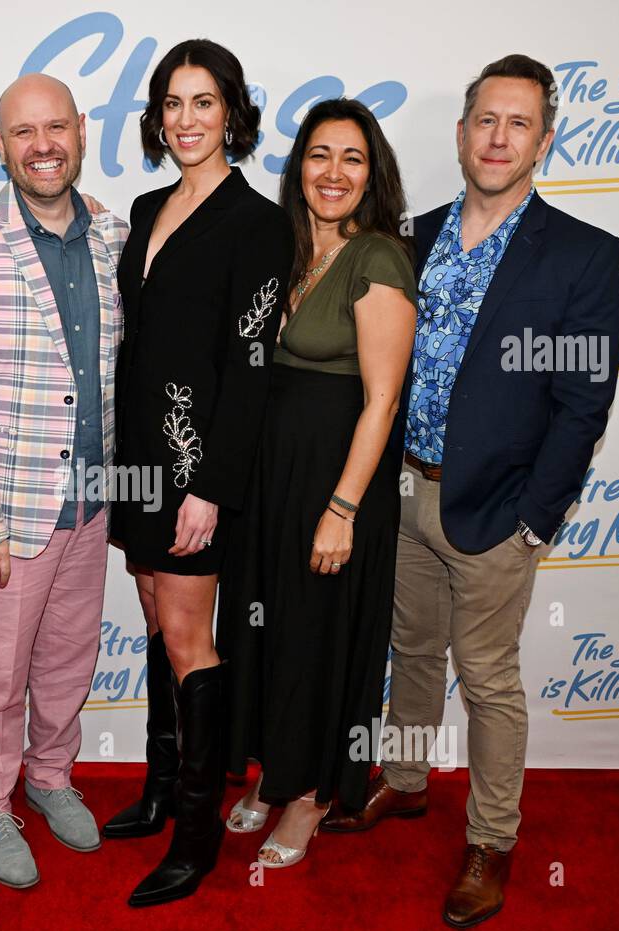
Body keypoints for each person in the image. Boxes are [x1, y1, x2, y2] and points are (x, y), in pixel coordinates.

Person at [320, 55, 619, 929]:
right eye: (484, 120)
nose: (497, 138)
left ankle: (492, 840)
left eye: (518, 123)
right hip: (403, 496)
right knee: (410, 653)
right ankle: (408, 782)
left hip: (496, 513)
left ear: (545, 141)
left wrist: (537, 516)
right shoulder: (410, 237)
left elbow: (584, 400)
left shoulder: (581, 254)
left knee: (487, 678)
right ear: (460, 135)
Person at [0, 73, 128, 891]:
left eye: (56, 127)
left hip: (90, 500)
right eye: (23, 132)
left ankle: (48, 777)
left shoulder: (112, 234)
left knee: (70, 660)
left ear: (80, 130)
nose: (43, 145)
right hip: (4, 511)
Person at [105, 39, 294, 907]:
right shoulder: (145, 208)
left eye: (203, 102)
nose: (186, 120)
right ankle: (157, 785)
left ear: (232, 114)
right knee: (152, 617)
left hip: (195, 469)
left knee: (189, 638)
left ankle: (195, 830)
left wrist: (209, 486)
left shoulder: (256, 222)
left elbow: (249, 366)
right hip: (138, 460)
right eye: (172, 103)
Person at [219, 98, 416, 868]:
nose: (333, 173)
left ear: (373, 175)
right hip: (273, 479)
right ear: (298, 165)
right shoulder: (290, 250)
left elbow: (382, 399)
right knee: (269, 633)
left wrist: (342, 508)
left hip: (335, 480)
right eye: (319, 155)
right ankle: (274, 776)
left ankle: (308, 795)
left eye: (352, 158)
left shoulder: (378, 258)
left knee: (315, 638)